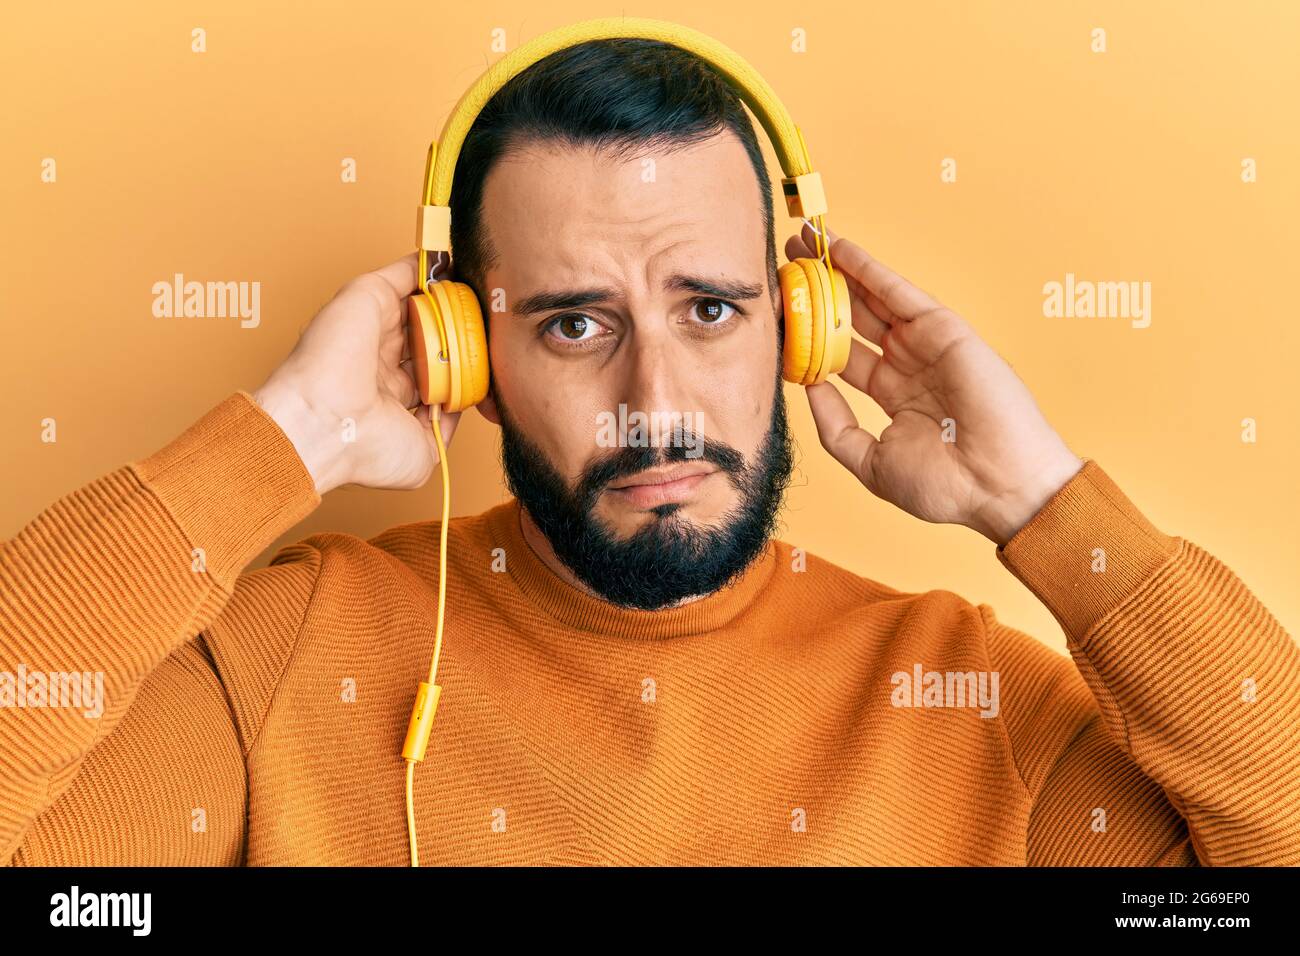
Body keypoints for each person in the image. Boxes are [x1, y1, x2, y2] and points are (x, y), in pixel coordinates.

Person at [2, 38, 1296, 866]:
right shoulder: (294, 655)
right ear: (465, 353)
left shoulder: (967, 698)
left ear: (800, 326)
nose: (654, 402)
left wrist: (1046, 507)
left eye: (712, 308)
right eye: (575, 324)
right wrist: (287, 440)